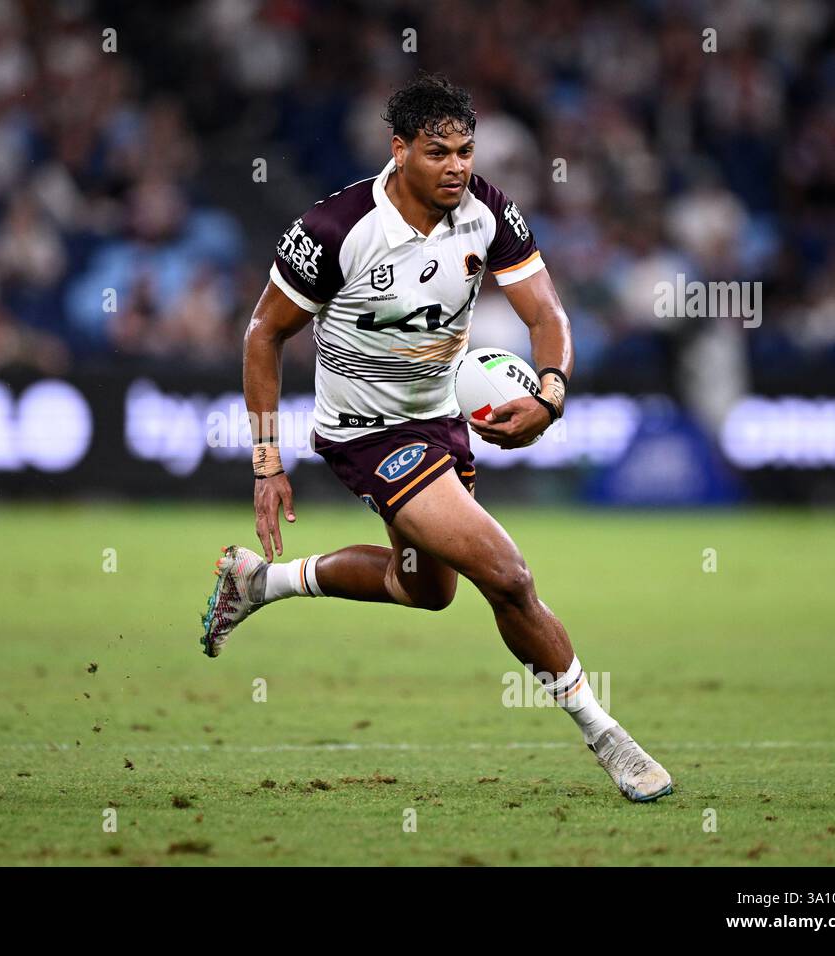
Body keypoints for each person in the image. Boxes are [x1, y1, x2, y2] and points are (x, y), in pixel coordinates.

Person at [201, 72, 672, 802]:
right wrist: (267, 459)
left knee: (423, 589)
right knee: (508, 576)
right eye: (436, 152)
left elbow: (547, 316)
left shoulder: (488, 212)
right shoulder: (335, 229)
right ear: (398, 150)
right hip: (366, 433)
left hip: (441, 420)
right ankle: (608, 737)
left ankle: (259, 581)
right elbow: (264, 334)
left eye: (464, 150)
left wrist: (551, 392)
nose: (455, 167)